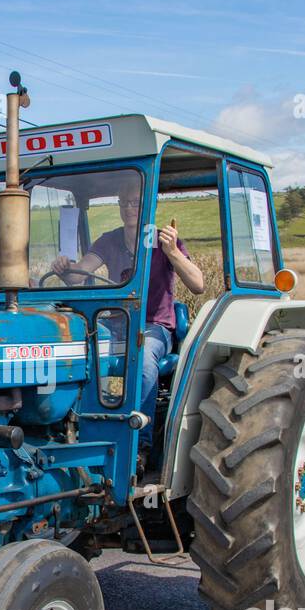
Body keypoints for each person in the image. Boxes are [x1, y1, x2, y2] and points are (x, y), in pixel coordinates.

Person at [50, 190, 204, 458]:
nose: (129, 208)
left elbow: (198, 284)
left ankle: (139, 444)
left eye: (135, 202)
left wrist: (172, 253)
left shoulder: (164, 241)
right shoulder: (110, 240)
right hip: (116, 323)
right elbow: (79, 274)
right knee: (78, 354)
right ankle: (76, 432)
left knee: (142, 361)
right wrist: (65, 267)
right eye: (124, 202)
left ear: (147, 206)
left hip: (153, 326)